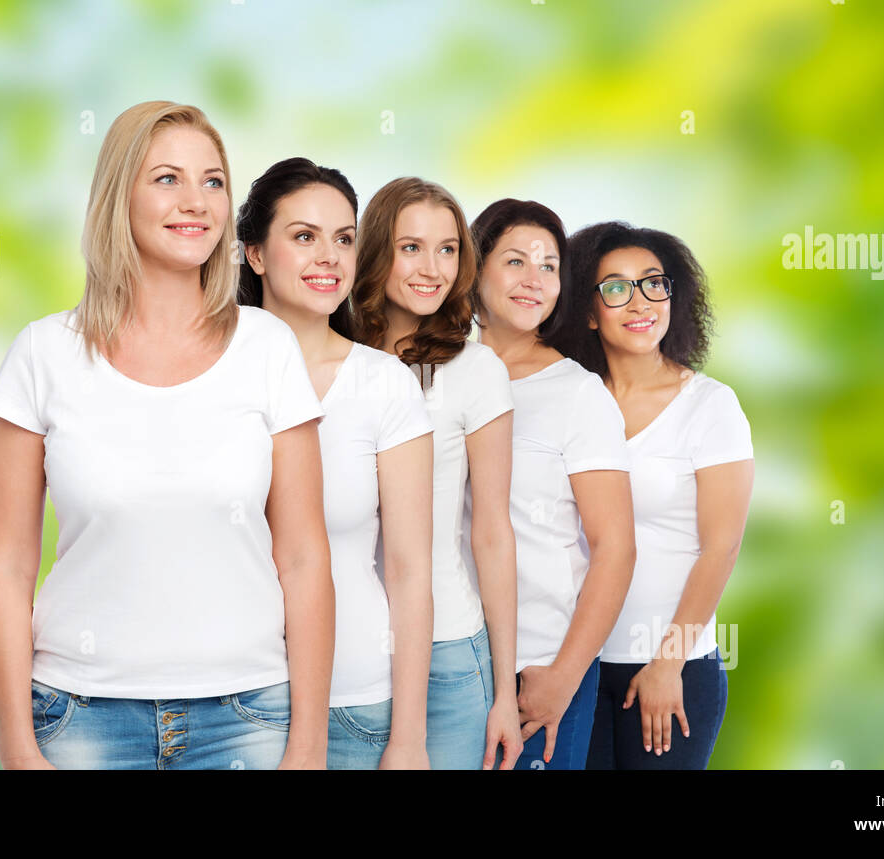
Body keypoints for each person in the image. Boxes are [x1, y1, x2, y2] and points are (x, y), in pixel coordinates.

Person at [0, 101, 334, 770]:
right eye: (167, 178)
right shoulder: (42, 355)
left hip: (247, 718)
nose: (195, 201)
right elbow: (6, 566)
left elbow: (305, 558)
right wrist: (17, 746)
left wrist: (309, 744)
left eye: (214, 180)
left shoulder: (269, 348)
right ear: (121, 196)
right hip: (79, 717)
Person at [238, 157, 434, 769]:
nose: (329, 256)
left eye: (343, 239)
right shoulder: (209, 372)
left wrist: (408, 738)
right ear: (255, 255)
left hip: (354, 704)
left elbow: (408, 570)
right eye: (304, 237)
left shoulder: (384, 385)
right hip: (224, 703)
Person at [335, 177, 523, 768]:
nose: (432, 267)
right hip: (339, 649)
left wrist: (505, 694)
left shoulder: (477, 370)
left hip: (445, 654)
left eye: (448, 249)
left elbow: (491, 532)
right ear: (375, 252)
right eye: (411, 246)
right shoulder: (330, 358)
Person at [555, 221, 754, 769]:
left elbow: (722, 547)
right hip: (577, 667)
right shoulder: (572, 402)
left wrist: (669, 663)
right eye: (616, 288)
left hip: (670, 668)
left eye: (653, 283)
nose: (639, 301)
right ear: (588, 312)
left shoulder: (710, 406)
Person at [469, 199, 636, 770]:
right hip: (447, 661)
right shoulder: (434, 372)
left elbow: (615, 548)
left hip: (538, 667)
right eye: (515, 261)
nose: (533, 280)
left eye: (549, 266)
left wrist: (564, 677)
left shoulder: (578, 394)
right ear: (475, 266)